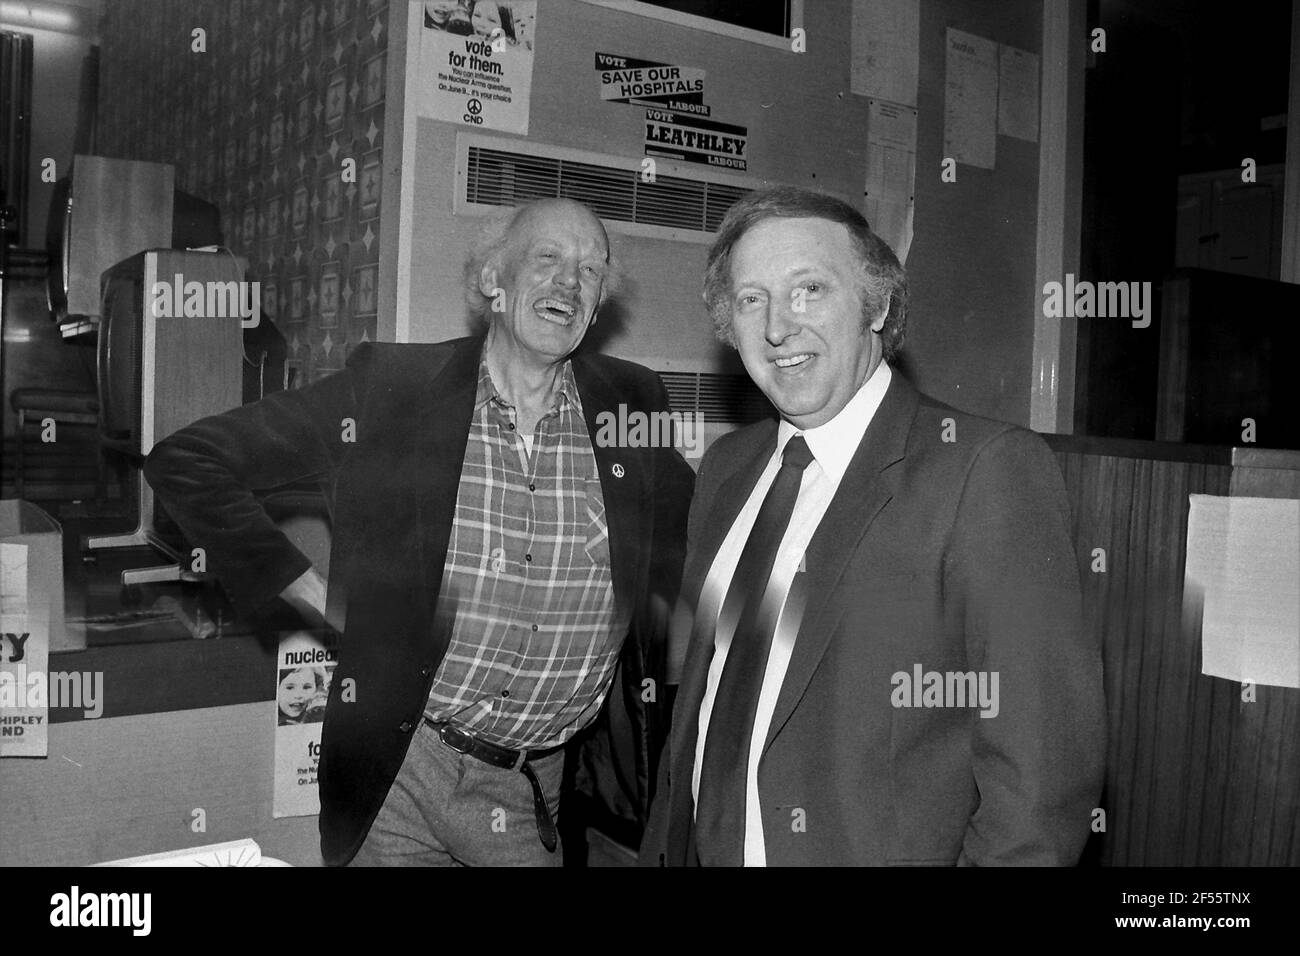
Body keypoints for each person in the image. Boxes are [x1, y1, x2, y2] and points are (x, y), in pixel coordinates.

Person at [145, 198, 694, 866]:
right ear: (495, 278)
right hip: (401, 776)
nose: (570, 283)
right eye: (547, 258)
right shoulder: (395, 389)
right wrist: (302, 590)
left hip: (535, 790)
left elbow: (702, 538)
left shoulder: (631, 402)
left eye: (591, 270)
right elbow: (189, 461)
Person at [639, 186, 1106, 866]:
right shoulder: (727, 471)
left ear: (878, 306)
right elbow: (705, 707)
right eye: (751, 299)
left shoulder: (982, 472)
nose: (778, 326)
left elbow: (1041, 780)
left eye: (810, 290)